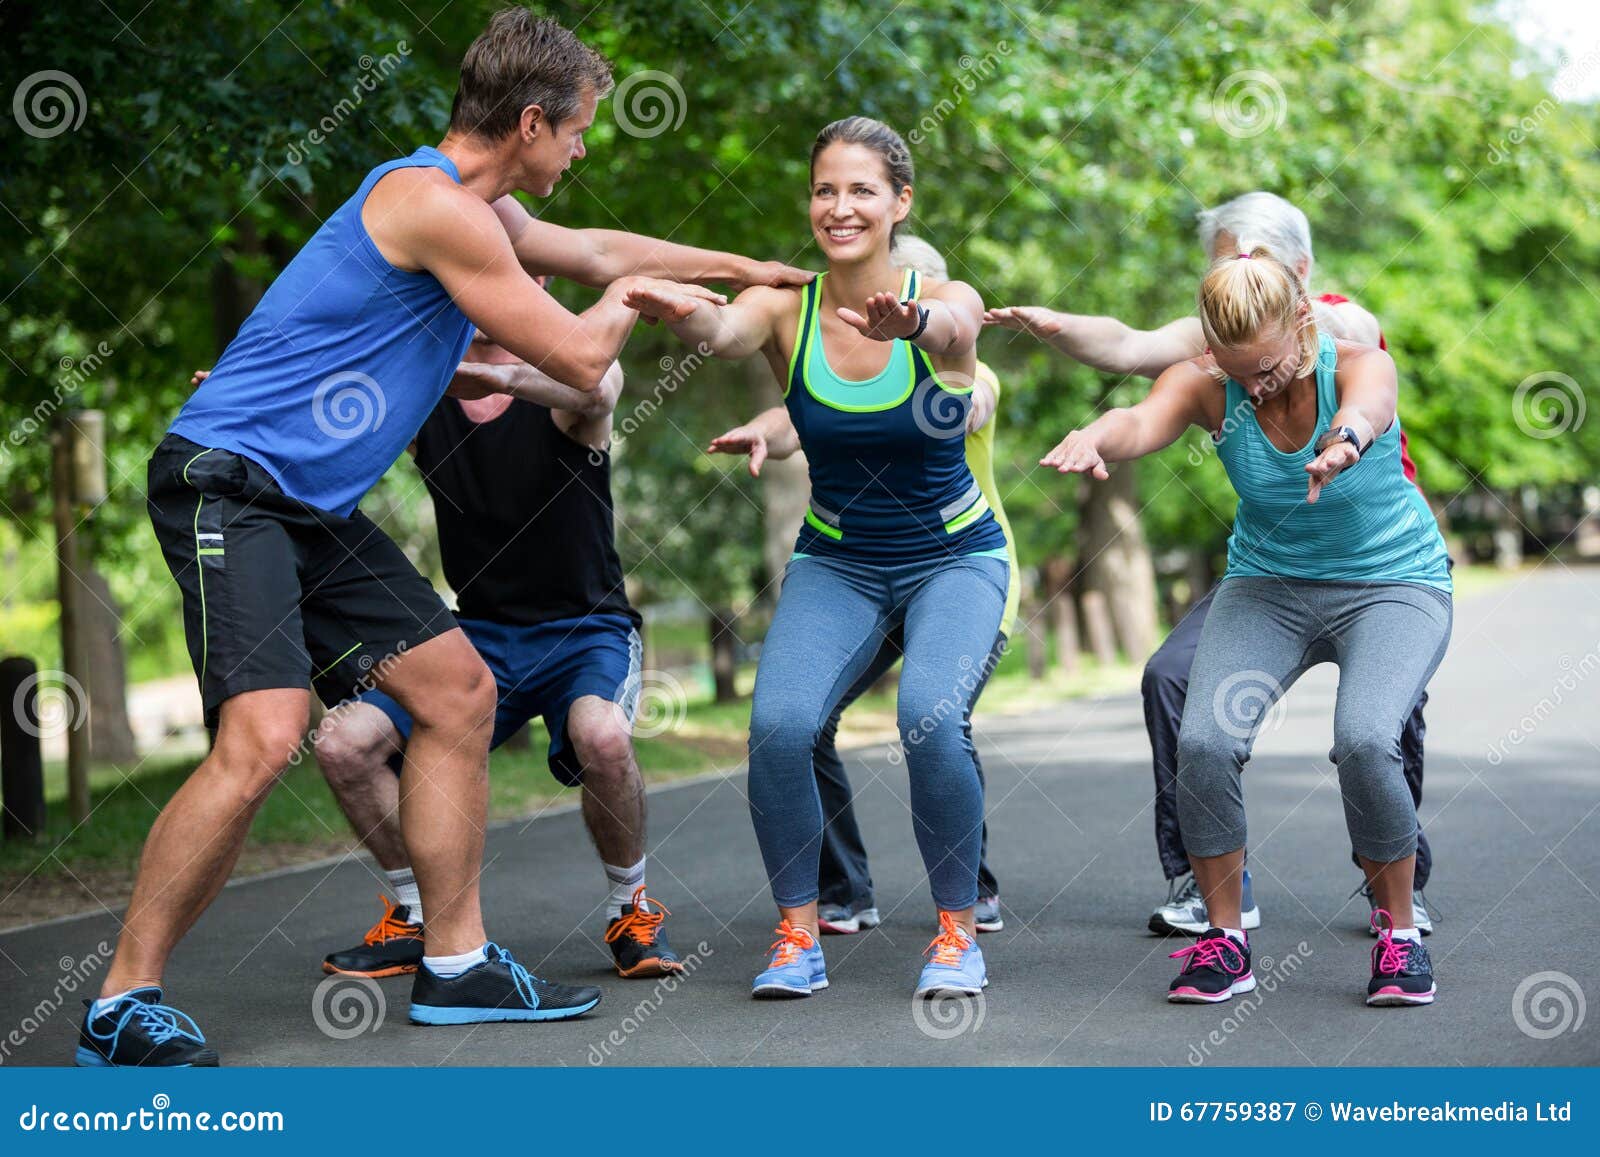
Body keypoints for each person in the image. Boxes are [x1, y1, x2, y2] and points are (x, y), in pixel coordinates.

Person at [76, 9, 809, 1068]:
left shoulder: (476, 207)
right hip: (229, 486)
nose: (582, 151)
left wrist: (745, 265)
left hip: (310, 503)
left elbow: (597, 248)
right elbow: (576, 351)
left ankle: (458, 962)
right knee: (265, 737)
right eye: (577, 131)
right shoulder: (433, 206)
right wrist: (628, 299)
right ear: (530, 122)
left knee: (459, 691)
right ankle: (121, 1000)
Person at [988, 191, 1437, 938]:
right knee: (1183, 697)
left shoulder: (1342, 328)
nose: (1253, 387)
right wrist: (1084, 399)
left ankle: (1397, 892)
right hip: (1274, 574)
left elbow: (1364, 386)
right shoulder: (1216, 358)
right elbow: (1135, 377)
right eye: (1221, 263)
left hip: (1383, 569)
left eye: (1249, 262)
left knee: (1372, 730)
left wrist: (1344, 438)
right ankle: (1211, 896)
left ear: (1296, 279)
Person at [630, 118, 1006, 1000]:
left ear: (899, 202)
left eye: (862, 190)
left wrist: (916, 321)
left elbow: (957, 329)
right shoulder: (785, 308)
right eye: (824, 190)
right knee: (779, 727)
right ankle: (799, 933)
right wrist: (684, 309)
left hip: (954, 556)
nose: (840, 207)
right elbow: (726, 330)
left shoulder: (945, 293)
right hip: (838, 560)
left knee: (929, 718)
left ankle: (957, 932)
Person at [709, 236, 1017, 937]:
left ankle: (970, 890)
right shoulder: (828, 354)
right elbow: (796, 421)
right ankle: (842, 890)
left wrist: (925, 340)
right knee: (795, 724)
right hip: (855, 567)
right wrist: (763, 429)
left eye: (912, 292)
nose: (886, 308)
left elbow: (970, 399)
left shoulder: (966, 362)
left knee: (934, 718)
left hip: (963, 566)